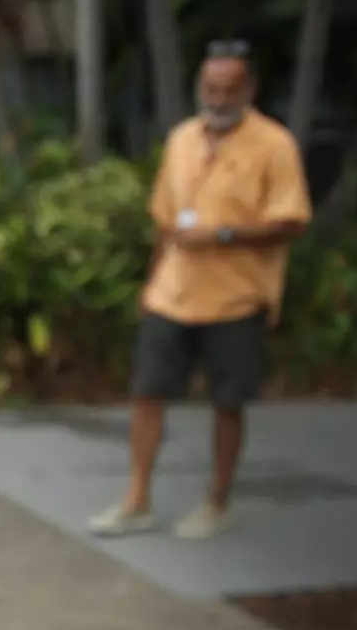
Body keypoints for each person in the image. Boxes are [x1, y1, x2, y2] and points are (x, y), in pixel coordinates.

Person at [89, 41, 311, 540]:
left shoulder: (275, 145)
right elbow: (165, 222)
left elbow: (293, 222)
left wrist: (224, 234)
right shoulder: (181, 139)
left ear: (250, 89)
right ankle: (137, 499)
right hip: (172, 293)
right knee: (147, 392)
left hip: (236, 298)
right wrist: (151, 283)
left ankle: (216, 500)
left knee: (227, 402)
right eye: (210, 87)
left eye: (230, 88)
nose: (218, 97)